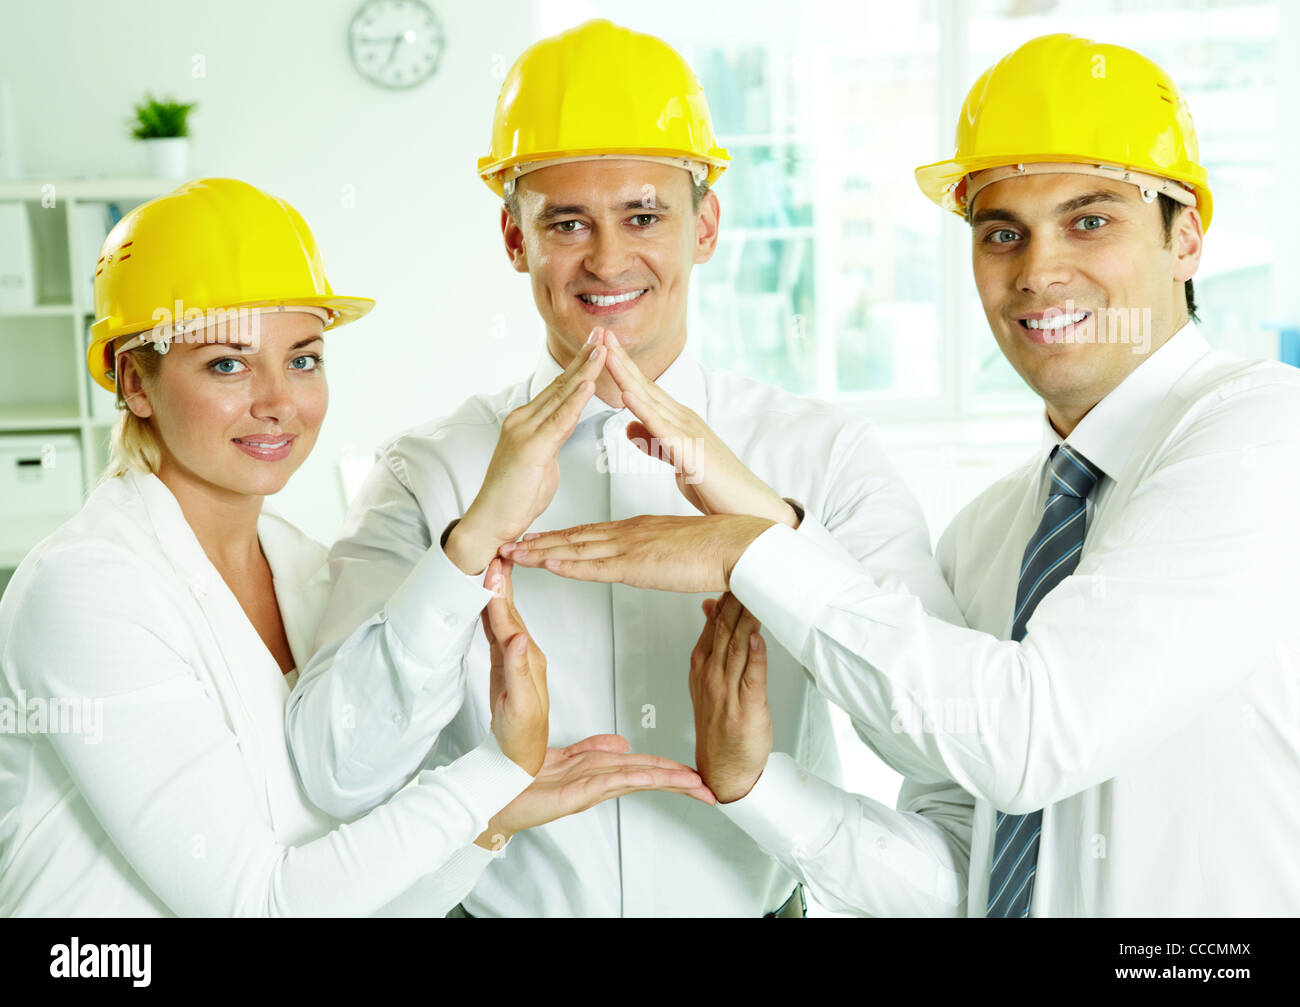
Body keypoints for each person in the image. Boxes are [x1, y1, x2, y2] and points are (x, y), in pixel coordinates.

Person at [503, 34, 1300, 916]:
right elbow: (960, 873)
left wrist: (757, 550)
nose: (1039, 271)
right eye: (1003, 232)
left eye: (1091, 218)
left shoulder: (1265, 435)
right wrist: (755, 784)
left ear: (1185, 235)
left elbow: (1032, 735)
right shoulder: (996, 533)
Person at [286, 18, 962, 918]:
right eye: (567, 222)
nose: (607, 260)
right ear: (514, 238)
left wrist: (767, 541)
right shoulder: (428, 472)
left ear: (706, 226)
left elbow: (939, 734)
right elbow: (336, 767)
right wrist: (465, 551)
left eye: (644, 215)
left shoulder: (825, 455)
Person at [0, 177, 709, 917]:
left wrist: (494, 815)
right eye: (227, 364)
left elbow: (360, 895)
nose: (278, 400)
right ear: (132, 381)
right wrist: (490, 775)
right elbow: (255, 902)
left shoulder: (305, 567)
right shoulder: (87, 589)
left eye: (303, 358)